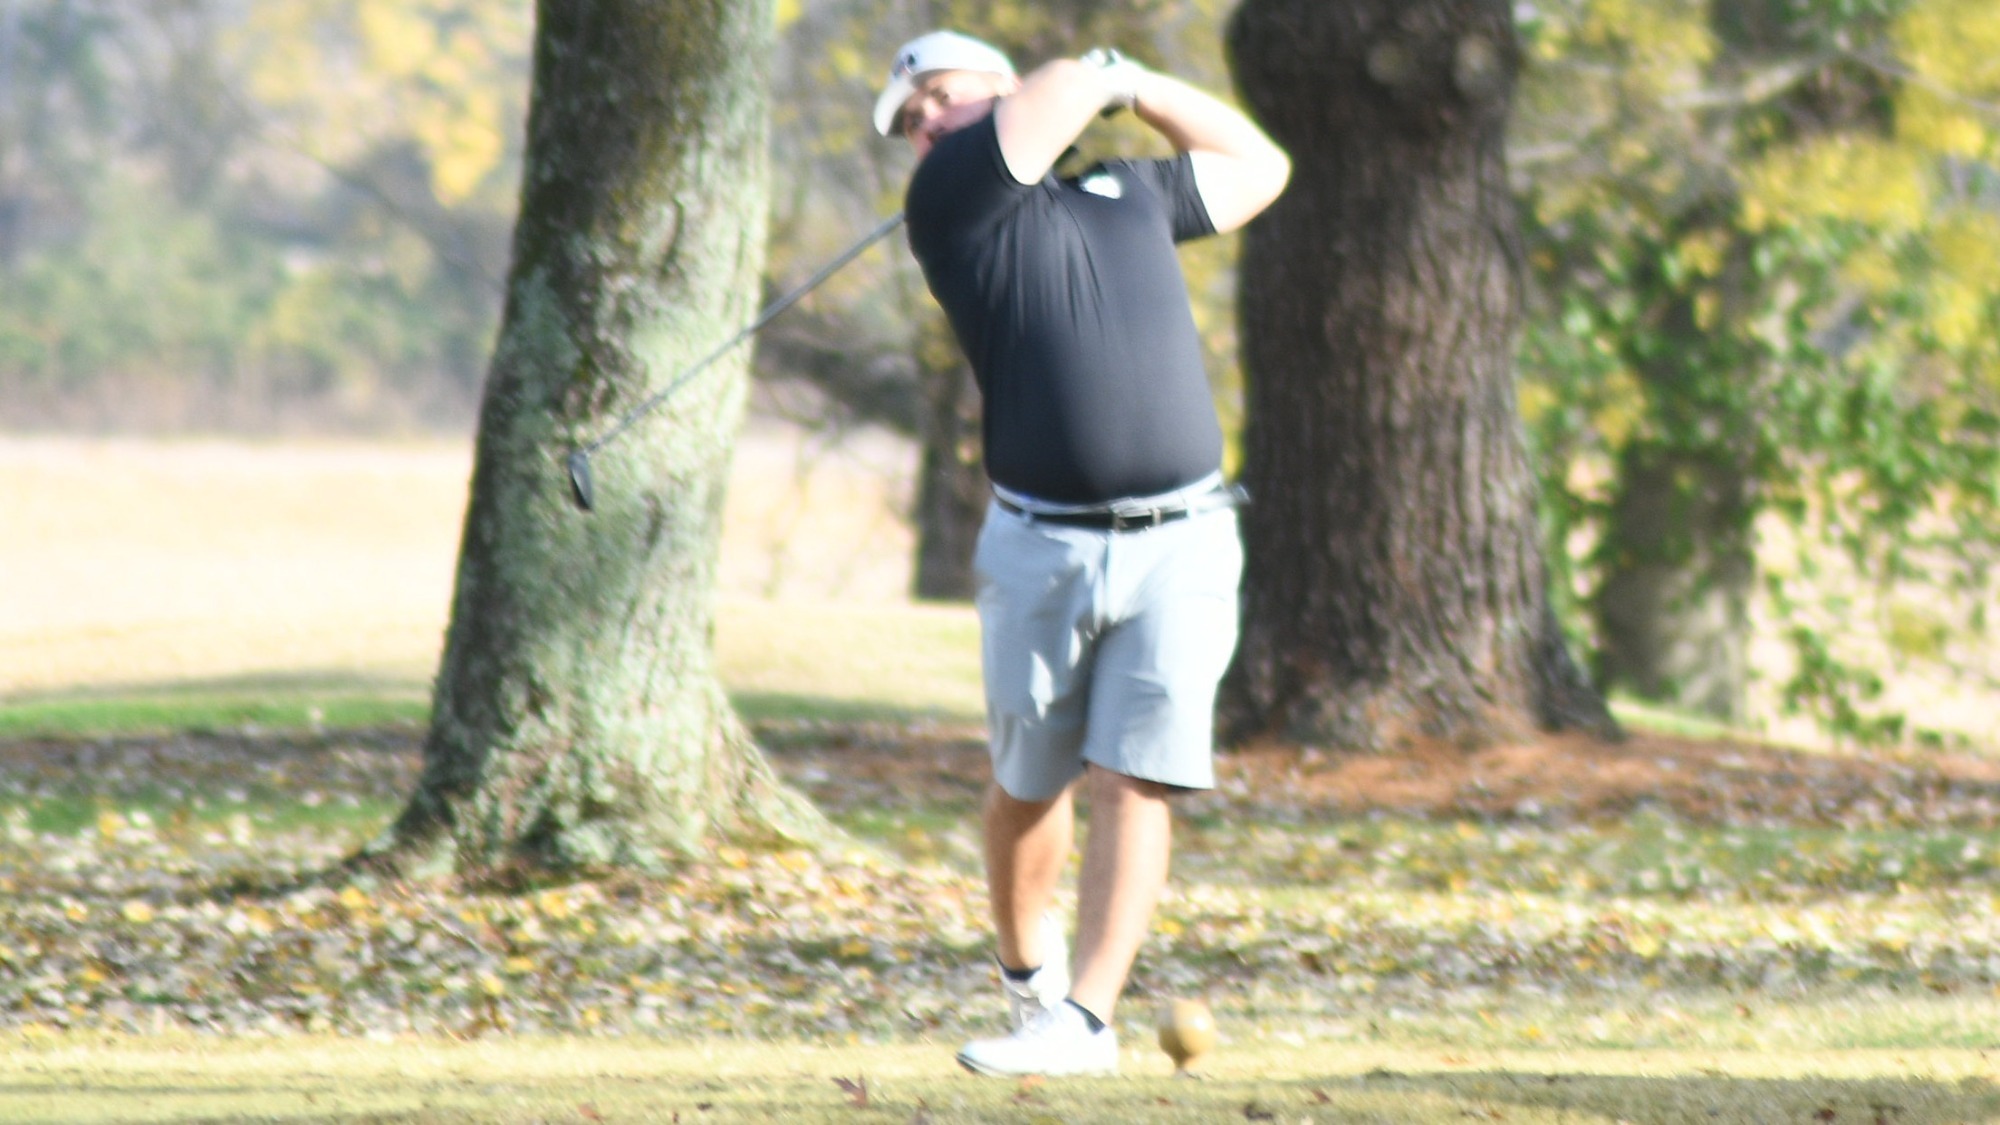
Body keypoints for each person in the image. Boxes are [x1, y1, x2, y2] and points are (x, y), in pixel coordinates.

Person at [872, 31, 1290, 1077]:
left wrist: (1142, 87)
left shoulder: (1127, 194)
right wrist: (1097, 74)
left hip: (1184, 537)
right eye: (907, 119)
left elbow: (1260, 167)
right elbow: (1058, 89)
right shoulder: (952, 204)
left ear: (994, 87)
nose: (922, 120)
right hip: (1040, 548)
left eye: (934, 94)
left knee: (1133, 776)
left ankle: (1086, 1022)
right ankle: (1029, 982)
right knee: (1028, 785)